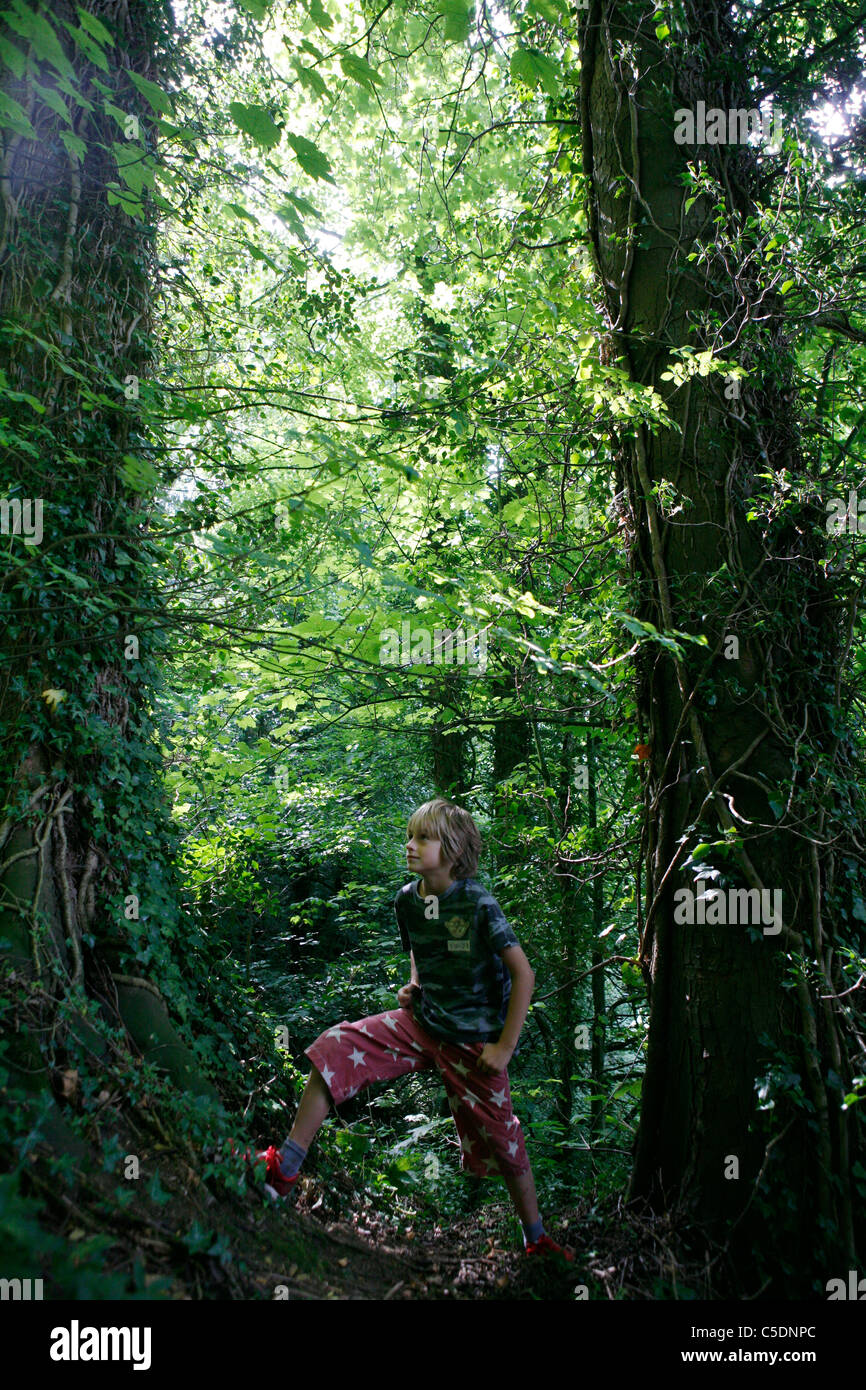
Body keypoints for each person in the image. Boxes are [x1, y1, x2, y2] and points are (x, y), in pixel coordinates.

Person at [252, 797, 573, 1261]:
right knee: (335, 1047)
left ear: (454, 849)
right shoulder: (406, 900)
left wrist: (505, 1046)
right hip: (422, 1023)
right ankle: (285, 1169)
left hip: (474, 1039)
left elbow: (523, 973)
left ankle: (535, 1239)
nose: (411, 845)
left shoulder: (479, 903)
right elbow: (419, 951)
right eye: (410, 835)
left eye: (424, 838)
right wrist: (414, 984)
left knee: (504, 1140)